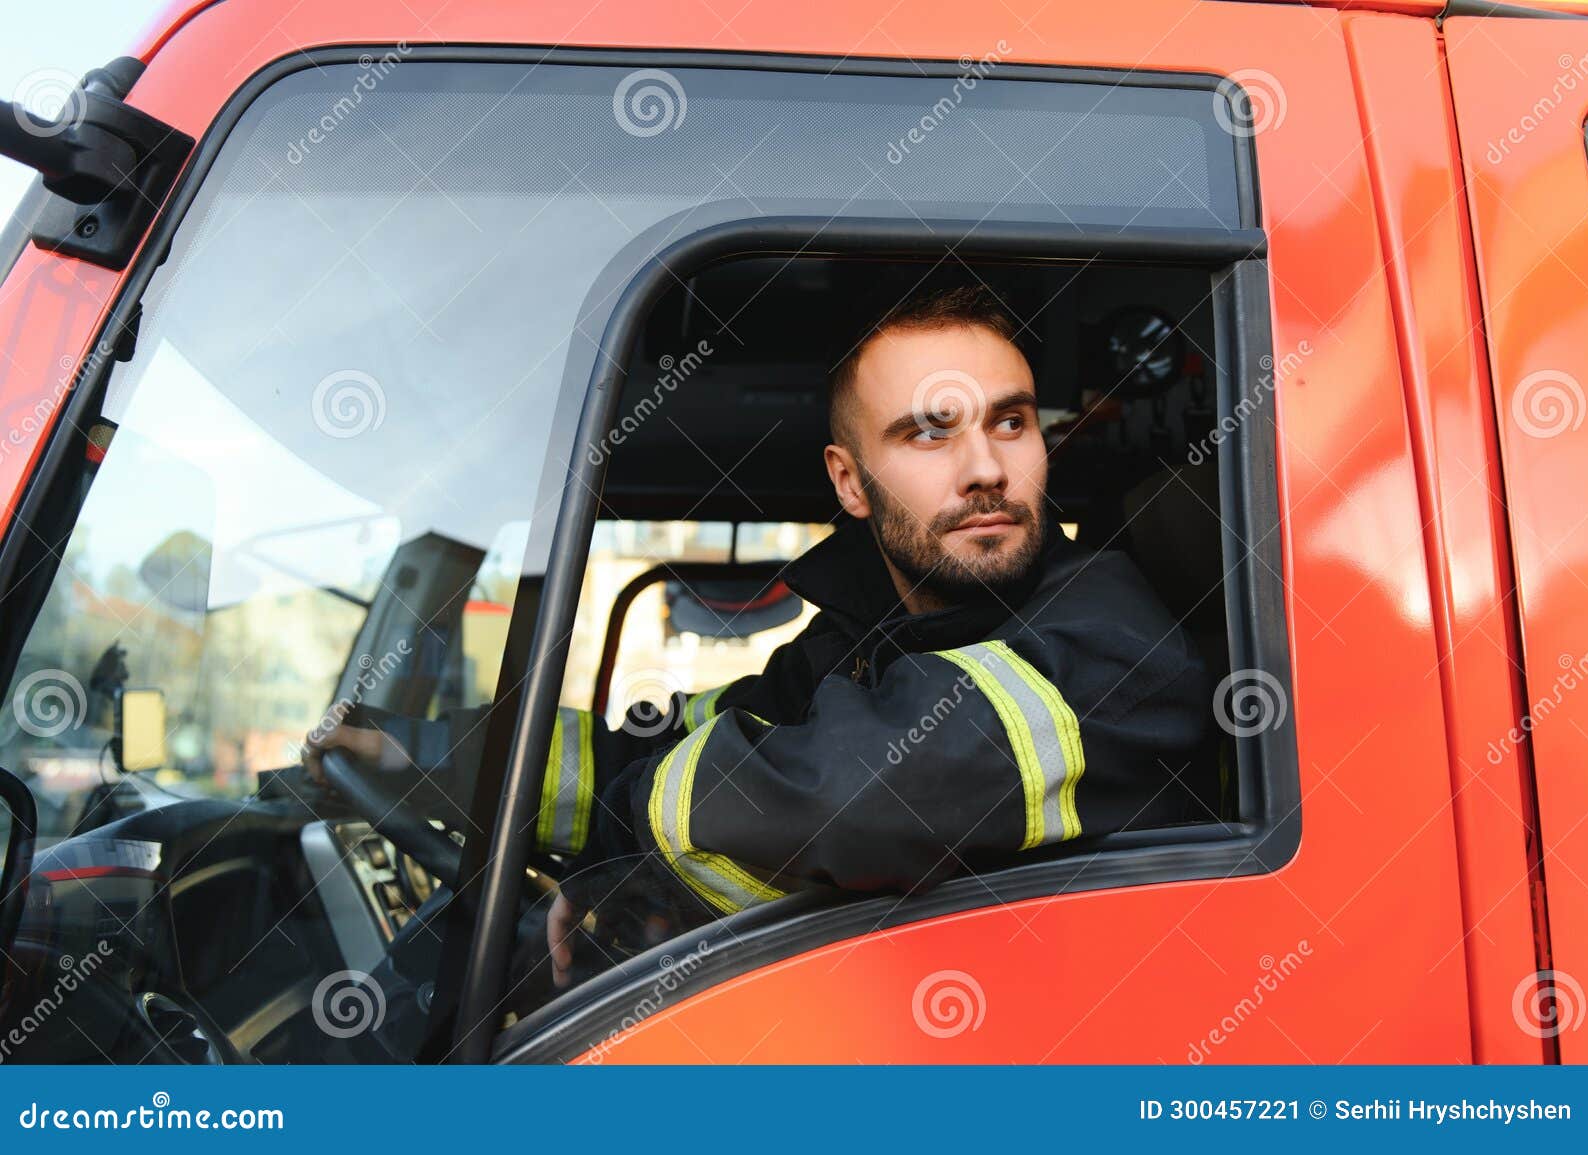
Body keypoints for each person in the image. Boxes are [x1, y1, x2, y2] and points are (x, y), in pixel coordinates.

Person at [306, 283, 1215, 984]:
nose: (986, 469)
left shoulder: (1109, 638)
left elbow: (847, 795)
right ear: (850, 483)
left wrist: (637, 885)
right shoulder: (867, 635)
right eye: (929, 435)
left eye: (1009, 422)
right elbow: (665, 747)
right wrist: (419, 755)